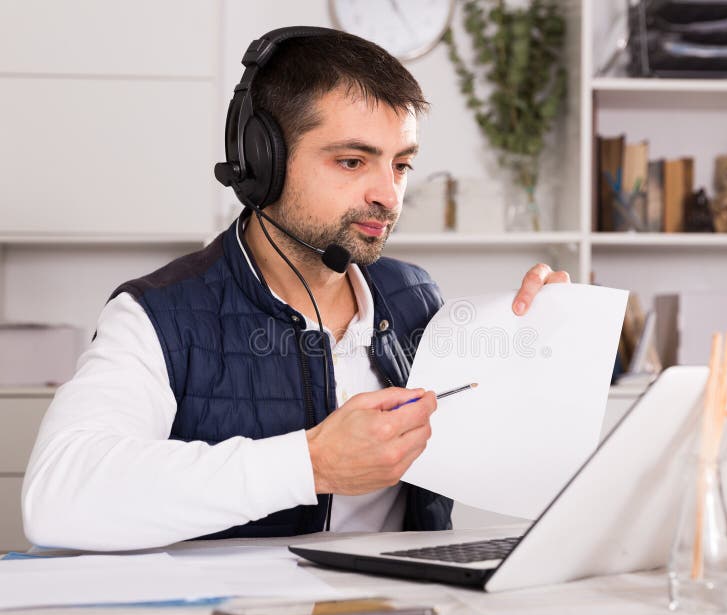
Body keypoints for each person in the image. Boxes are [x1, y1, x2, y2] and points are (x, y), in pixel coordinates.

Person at [21, 27, 570, 551]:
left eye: (400, 165)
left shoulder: (414, 296)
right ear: (262, 162)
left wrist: (539, 344)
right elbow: (57, 497)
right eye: (352, 161)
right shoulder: (157, 316)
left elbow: (491, 454)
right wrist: (310, 463)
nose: (388, 195)